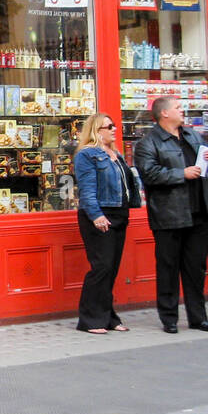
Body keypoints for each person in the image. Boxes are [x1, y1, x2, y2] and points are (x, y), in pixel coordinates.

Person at [133, 95, 208, 333]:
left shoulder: (191, 134)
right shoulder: (148, 143)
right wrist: (181, 174)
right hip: (169, 215)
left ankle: (198, 317)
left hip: (198, 212)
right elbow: (149, 174)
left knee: (195, 268)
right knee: (168, 268)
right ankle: (169, 318)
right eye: (179, 108)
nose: (183, 111)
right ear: (164, 113)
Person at [72, 113, 141, 333]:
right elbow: (87, 189)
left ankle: (108, 316)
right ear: (96, 131)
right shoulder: (87, 155)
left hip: (119, 213)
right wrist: (96, 215)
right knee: (101, 267)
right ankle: (89, 319)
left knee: (111, 269)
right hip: (100, 214)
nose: (114, 129)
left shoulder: (116, 155)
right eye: (108, 126)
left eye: (114, 126)